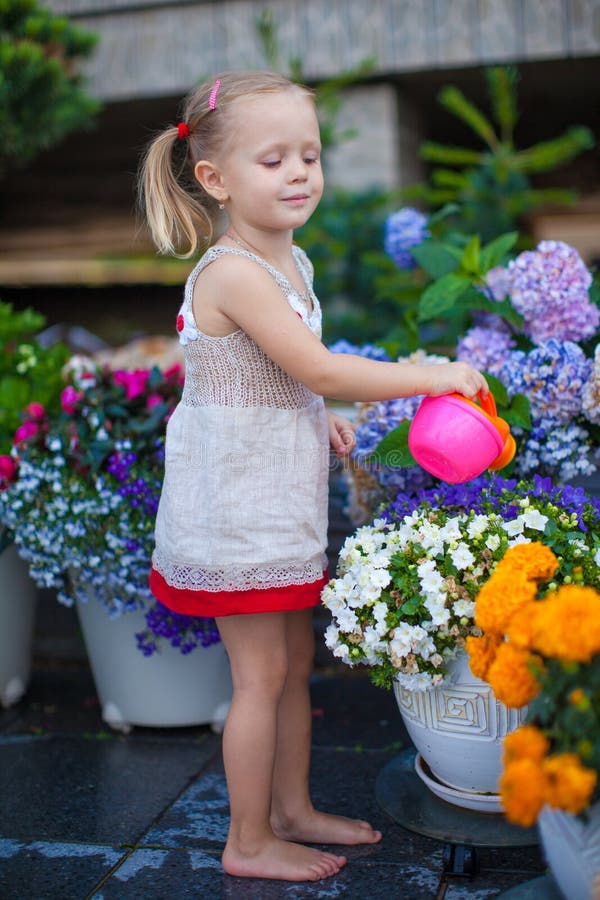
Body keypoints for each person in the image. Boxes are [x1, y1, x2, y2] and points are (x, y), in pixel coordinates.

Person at [138, 70, 488, 883]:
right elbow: (319, 364)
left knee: (293, 667)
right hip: (236, 509)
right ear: (215, 179)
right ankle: (247, 840)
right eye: (274, 161)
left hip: (274, 496)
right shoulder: (231, 273)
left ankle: (290, 810)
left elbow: (282, 372)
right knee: (260, 677)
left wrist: (311, 410)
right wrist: (429, 375)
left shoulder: (290, 259)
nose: (299, 173)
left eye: (310, 155)